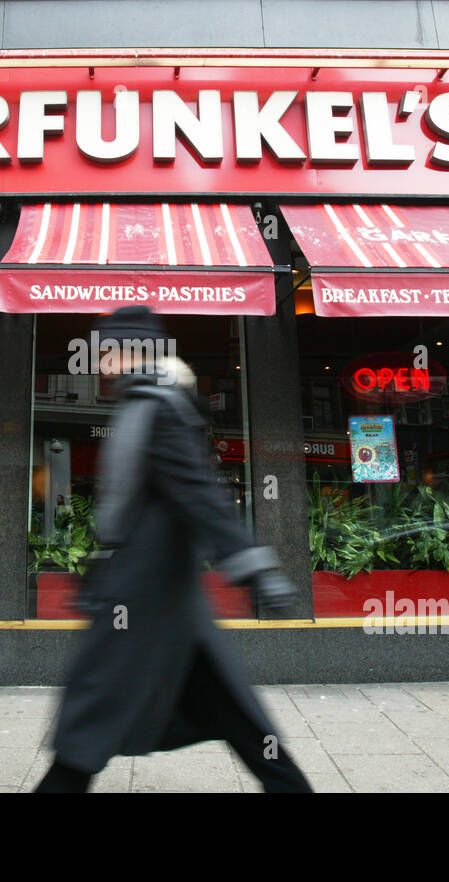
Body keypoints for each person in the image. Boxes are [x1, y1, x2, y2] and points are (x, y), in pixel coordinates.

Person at [35, 306, 313, 793]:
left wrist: (252, 567)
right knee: (238, 724)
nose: (100, 362)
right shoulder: (144, 403)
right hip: (159, 604)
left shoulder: (159, 407)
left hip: (147, 604)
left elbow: (199, 493)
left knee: (86, 736)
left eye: (108, 351)